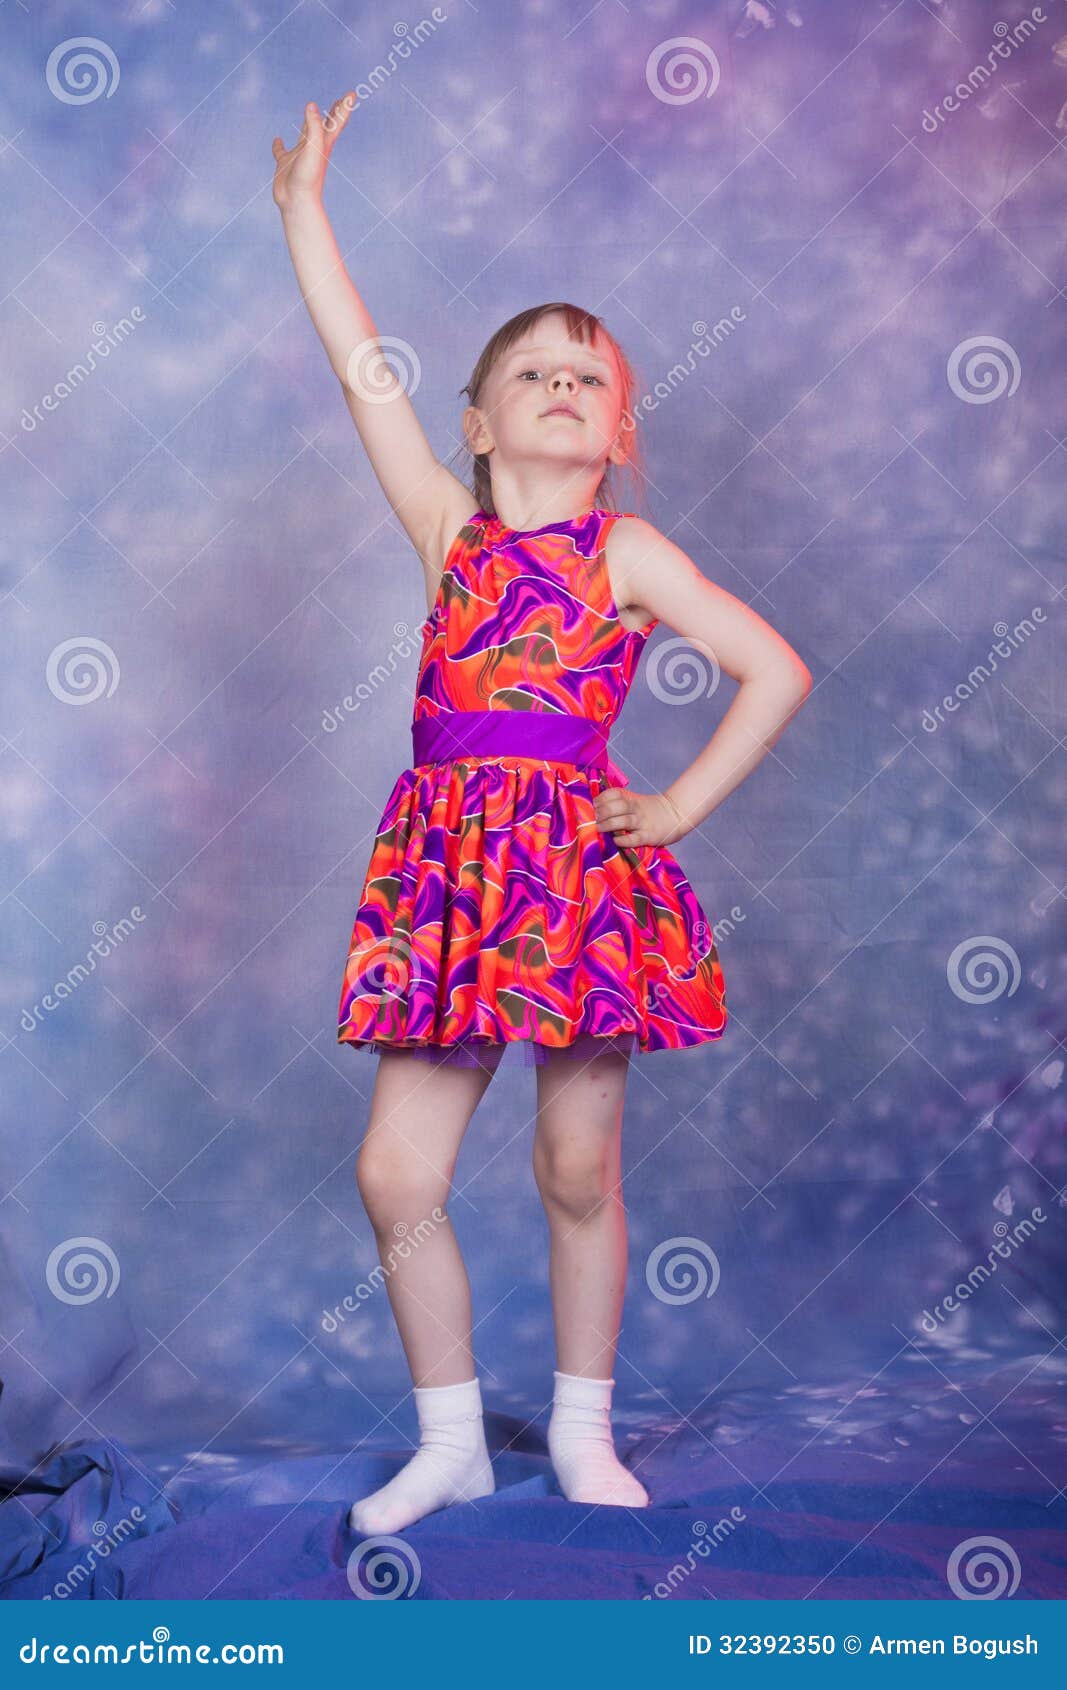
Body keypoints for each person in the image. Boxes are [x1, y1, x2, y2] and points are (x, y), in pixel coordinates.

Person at [273, 94, 812, 1534]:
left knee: (577, 1162)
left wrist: (681, 802)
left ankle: (582, 1425)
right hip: (451, 875)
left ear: (619, 423)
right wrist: (304, 212)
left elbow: (776, 666)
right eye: (534, 369)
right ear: (479, 418)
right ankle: (449, 1434)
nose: (566, 384)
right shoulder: (449, 529)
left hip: (575, 870)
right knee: (400, 1168)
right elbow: (353, 366)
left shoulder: (623, 546)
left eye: (591, 374)